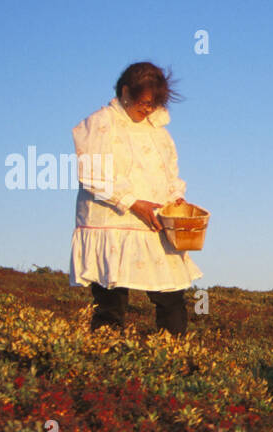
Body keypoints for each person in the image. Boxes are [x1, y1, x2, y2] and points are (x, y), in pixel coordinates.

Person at [69, 61, 200, 335]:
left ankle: (175, 358)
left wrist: (176, 198)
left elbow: (170, 172)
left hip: (155, 222)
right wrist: (132, 203)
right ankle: (105, 356)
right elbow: (92, 175)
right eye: (144, 102)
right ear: (126, 91)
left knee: (171, 294)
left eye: (153, 104)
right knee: (110, 298)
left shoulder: (158, 131)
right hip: (112, 220)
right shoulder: (101, 123)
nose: (147, 109)